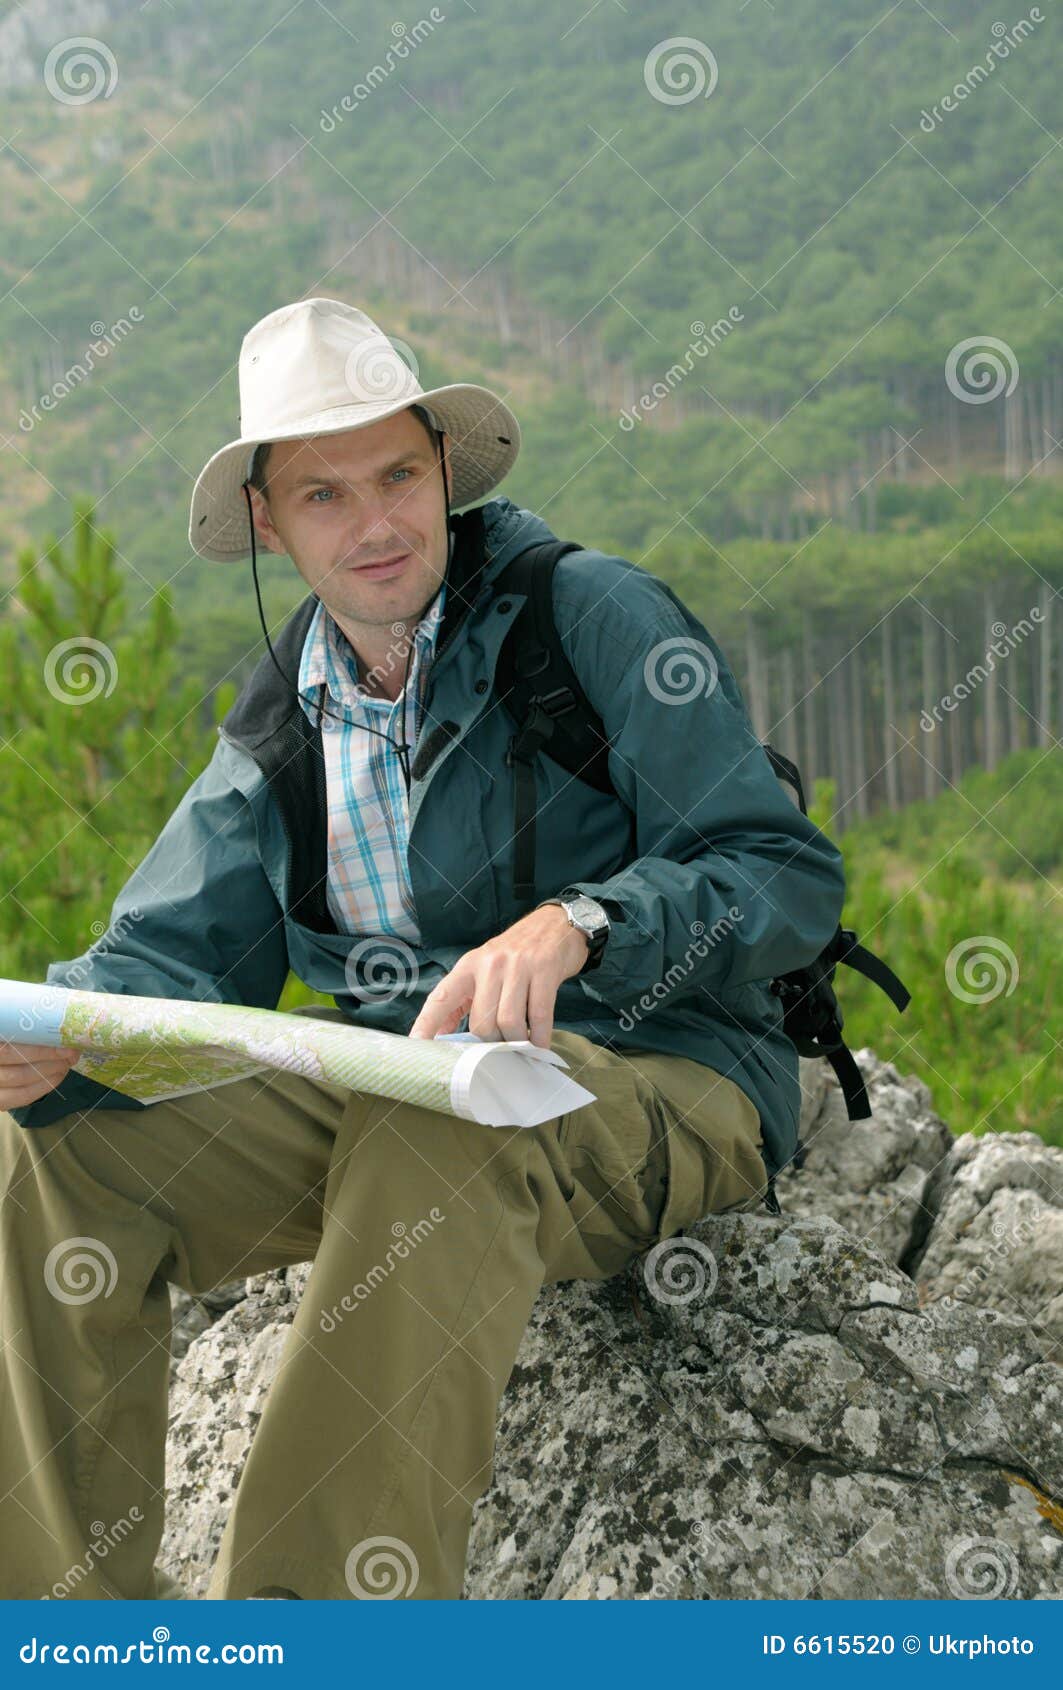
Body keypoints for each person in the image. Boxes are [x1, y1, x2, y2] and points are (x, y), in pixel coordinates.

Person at [0, 297, 846, 1600]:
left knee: (442, 1109)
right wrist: (56, 1034)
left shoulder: (594, 617)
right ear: (271, 526)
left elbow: (782, 872)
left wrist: (588, 922)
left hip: (669, 1077)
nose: (377, 521)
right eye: (326, 495)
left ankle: (322, 1639)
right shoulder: (287, 717)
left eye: (399, 473)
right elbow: (165, 958)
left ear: (445, 471)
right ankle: (67, 1625)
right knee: (47, 1144)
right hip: (413, 1095)